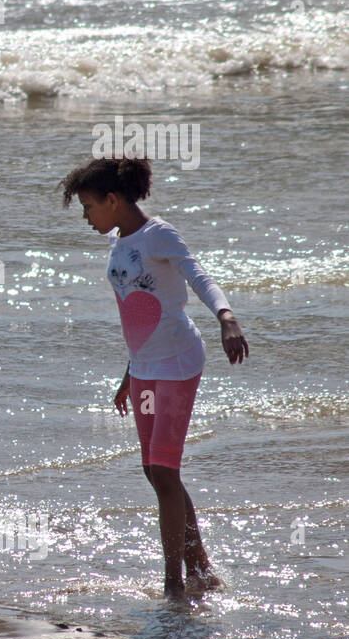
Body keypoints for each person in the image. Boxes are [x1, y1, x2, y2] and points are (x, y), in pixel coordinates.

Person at [61, 157, 248, 600]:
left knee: (165, 471)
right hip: (144, 371)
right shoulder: (118, 244)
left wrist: (227, 318)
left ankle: (174, 585)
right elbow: (138, 314)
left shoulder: (158, 234)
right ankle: (200, 568)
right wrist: (129, 372)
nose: (86, 216)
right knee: (154, 471)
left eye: (88, 206)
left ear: (112, 199)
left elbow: (198, 275)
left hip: (179, 364)